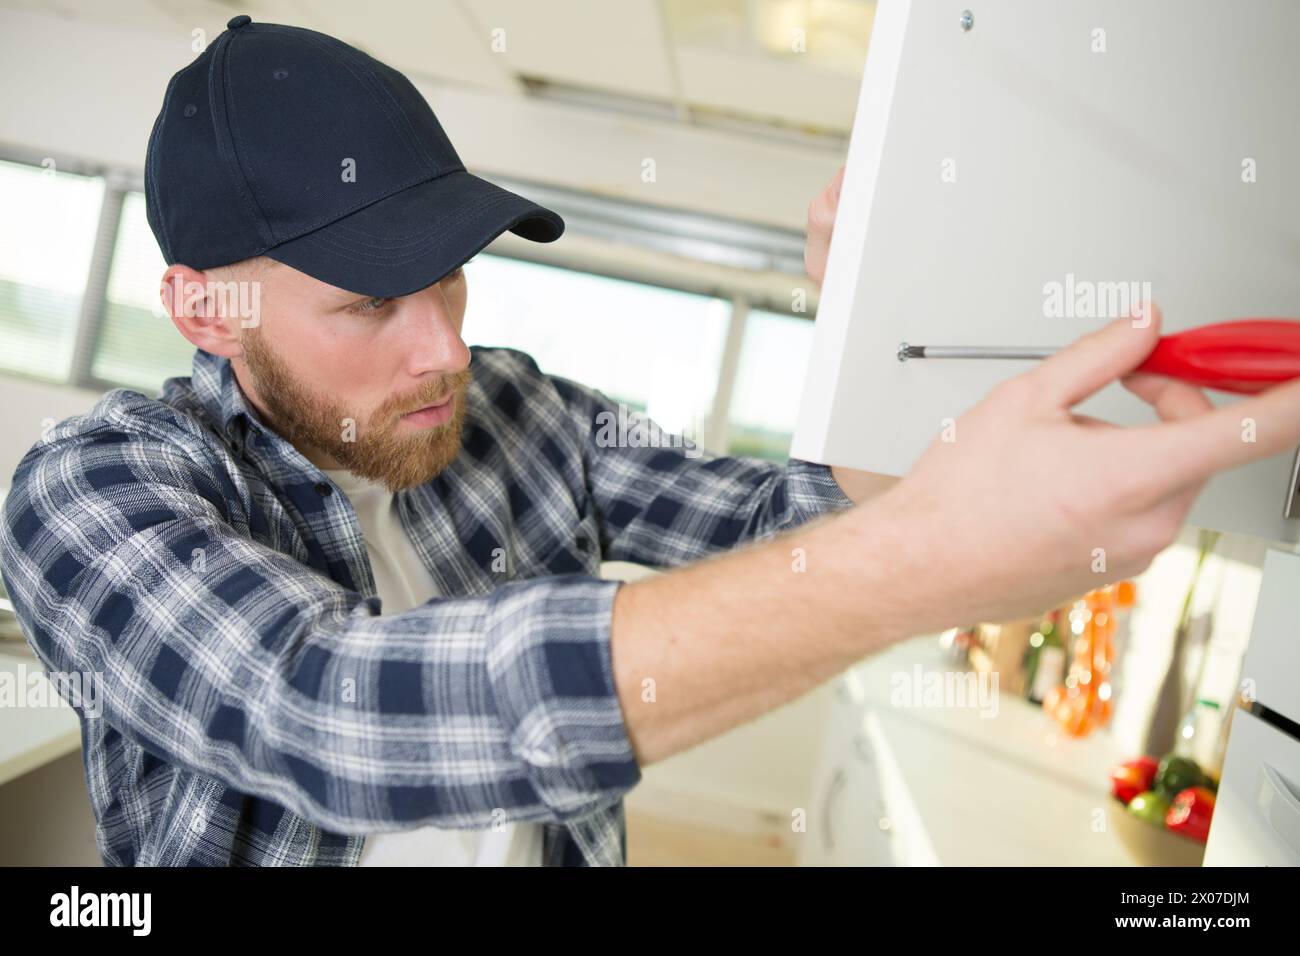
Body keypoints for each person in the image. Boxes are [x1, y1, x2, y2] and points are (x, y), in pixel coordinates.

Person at [4, 17, 1300, 868]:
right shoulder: (87, 493)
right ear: (201, 307)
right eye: (369, 303)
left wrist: (882, 353)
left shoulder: (515, 409)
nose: (444, 347)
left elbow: (785, 534)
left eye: (448, 276)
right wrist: (925, 556)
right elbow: (329, 713)